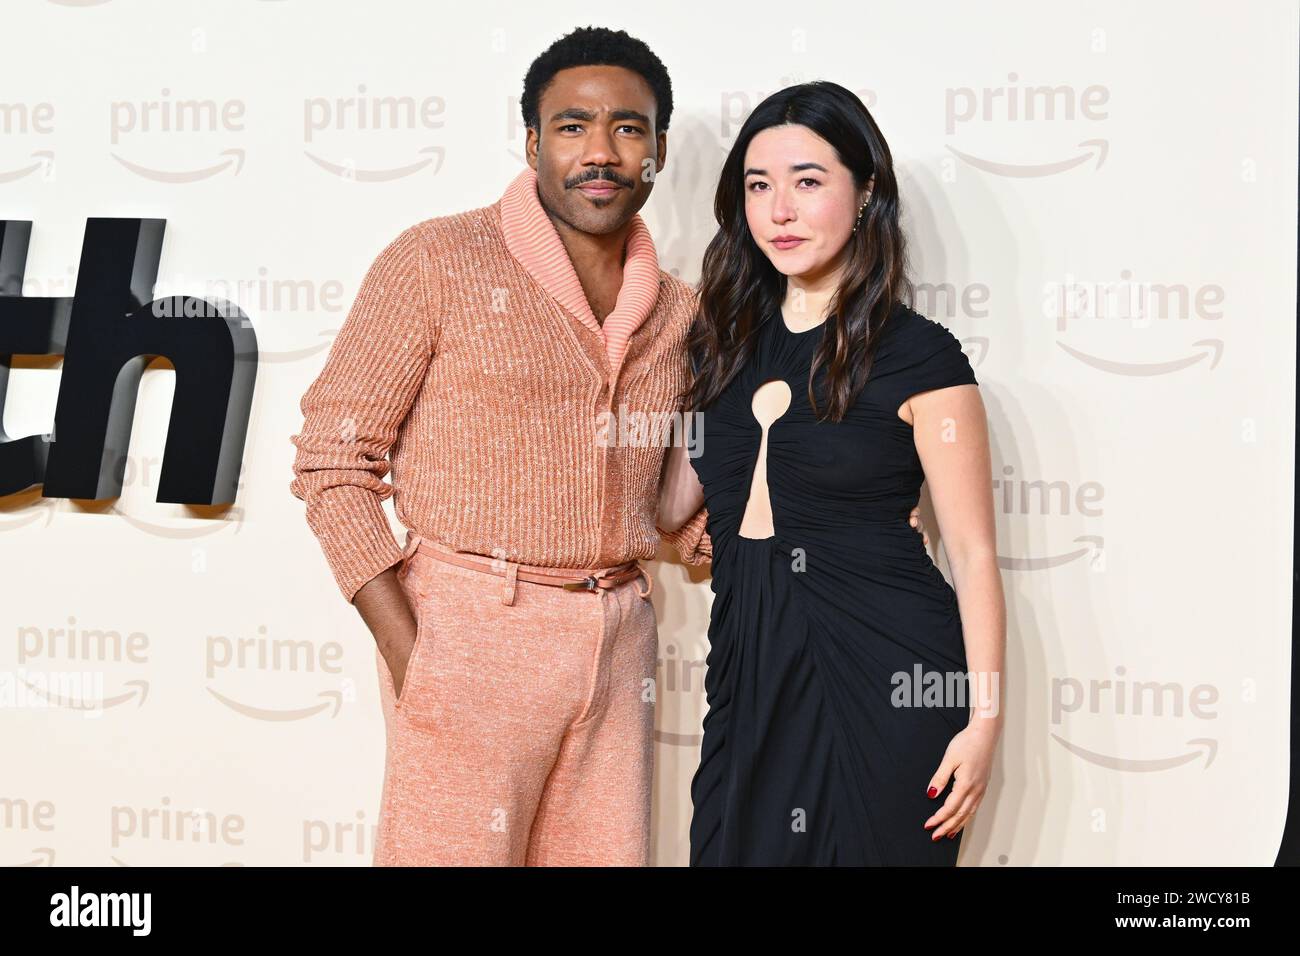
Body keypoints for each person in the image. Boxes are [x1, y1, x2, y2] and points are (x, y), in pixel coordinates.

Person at [657, 80, 1006, 865]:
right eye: (758, 186)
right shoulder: (723, 350)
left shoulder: (921, 357)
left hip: (889, 675)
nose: (779, 210)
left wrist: (984, 723)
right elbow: (670, 507)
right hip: (748, 676)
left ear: (866, 191)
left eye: (808, 182)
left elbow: (973, 552)